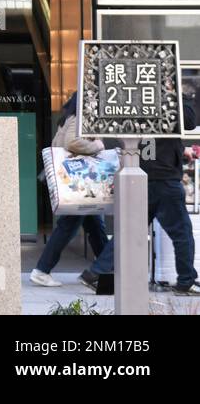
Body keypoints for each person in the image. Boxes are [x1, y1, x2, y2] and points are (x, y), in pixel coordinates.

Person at [82, 97, 199, 295]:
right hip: (164, 179)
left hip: (141, 175)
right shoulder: (169, 100)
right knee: (183, 234)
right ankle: (186, 280)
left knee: (128, 231)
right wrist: (181, 95)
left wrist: (179, 149)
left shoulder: (138, 99)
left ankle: (95, 272)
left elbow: (157, 138)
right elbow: (188, 120)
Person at [30, 96, 109, 286]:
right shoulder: (79, 117)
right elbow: (72, 143)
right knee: (69, 227)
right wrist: (97, 146)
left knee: (95, 226)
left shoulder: (69, 116)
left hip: (79, 183)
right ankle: (42, 270)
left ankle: (107, 270)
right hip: (79, 183)